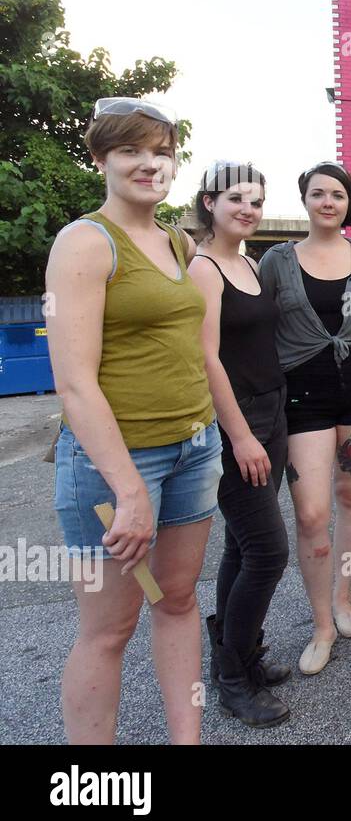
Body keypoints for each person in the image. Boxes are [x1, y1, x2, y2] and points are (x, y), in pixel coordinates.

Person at [46, 97, 220, 744]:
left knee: (177, 601)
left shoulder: (176, 239)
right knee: (108, 630)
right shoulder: (84, 243)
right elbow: (74, 383)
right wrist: (128, 491)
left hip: (194, 447)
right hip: (116, 464)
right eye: (130, 151)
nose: (150, 164)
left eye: (162, 152)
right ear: (100, 158)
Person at [258, 163, 351, 676]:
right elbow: (258, 326)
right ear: (305, 200)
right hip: (303, 395)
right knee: (313, 513)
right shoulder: (277, 261)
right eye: (318, 193)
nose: (327, 202)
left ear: (349, 203)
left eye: (337, 194)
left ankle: (344, 597)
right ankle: (321, 625)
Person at [189, 161, 291, 727]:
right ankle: (231, 678)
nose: (248, 209)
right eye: (236, 199)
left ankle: (241, 653)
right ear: (210, 203)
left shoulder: (249, 263)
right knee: (269, 552)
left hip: (273, 411)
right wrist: (241, 435)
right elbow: (207, 359)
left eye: (255, 201)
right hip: (239, 422)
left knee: (242, 545)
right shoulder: (204, 269)